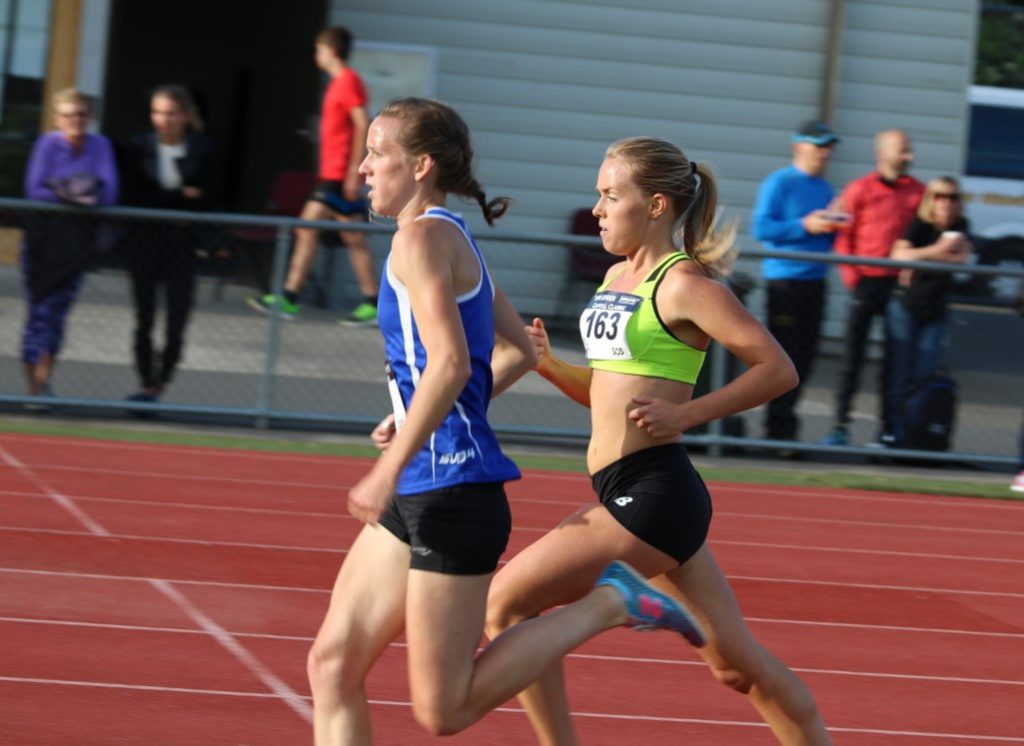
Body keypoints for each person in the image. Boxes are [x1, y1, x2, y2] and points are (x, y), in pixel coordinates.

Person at [307, 99, 708, 745]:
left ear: (421, 164)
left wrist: (390, 463)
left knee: (444, 710)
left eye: (377, 153)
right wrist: (414, 421)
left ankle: (613, 602)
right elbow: (519, 349)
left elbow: (447, 366)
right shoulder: (449, 233)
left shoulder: (421, 238)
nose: (363, 167)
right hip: (423, 476)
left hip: (450, 492)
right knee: (331, 664)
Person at [486, 137, 832, 745]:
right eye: (598, 194)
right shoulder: (618, 277)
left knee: (507, 603)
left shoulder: (685, 284)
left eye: (610, 195)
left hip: (653, 494)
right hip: (640, 493)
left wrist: (689, 416)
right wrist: (550, 365)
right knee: (736, 667)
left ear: (655, 205)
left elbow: (777, 369)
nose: (597, 208)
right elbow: (609, 390)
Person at [248, 25, 377, 325]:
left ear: (331, 50)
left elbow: (362, 124)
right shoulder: (336, 84)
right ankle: (295, 298)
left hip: (337, 177)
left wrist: (351, 173)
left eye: (318, 50)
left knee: (327, 233)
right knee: (344, 237)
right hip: (330, 176)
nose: (315, 55)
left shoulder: (348, 81)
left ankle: (292, 298)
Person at [821, 129, 924, 446]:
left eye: (909, 150)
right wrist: (854, 279)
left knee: (895, 360)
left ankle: (887, 428)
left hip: (899, 286)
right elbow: (843, 238)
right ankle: (840, 425)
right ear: (882, 154)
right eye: (902, 151)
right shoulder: (859, 189)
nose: (908, 157)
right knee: (852, 358)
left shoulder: (920, 192)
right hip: (866, 283)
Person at [118, 85, 216, 408]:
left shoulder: (202, 149)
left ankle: (161, 380)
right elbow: (135, 195)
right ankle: (147, 383)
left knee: (177, 321)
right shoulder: (138, 148)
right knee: (144, 318)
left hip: (182, 244)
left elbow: (208, 199)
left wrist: (184, 201)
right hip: (145, 242)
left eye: (171, 113)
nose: (164, 119)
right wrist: (179, 197)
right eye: (158, 112)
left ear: (186, 116)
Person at [20, 87, 119, 402]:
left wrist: (63, 190)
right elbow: (35, 190)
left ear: (90, 117)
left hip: (76, 242)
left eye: (81, 114)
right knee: (39, 312)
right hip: (42, 240)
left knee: (59, 316)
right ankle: (32, 386)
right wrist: (81, 192)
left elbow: (109, 193)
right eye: (68, 115)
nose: (75, 120)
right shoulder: (46, 144)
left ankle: (45, 382)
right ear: (56, 118)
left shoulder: (100, 145)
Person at [752, 120, 842, 448]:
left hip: (815, 282)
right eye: (819, 145)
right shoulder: (779, 182)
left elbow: (827, 238)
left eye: (829, 147)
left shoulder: (825, 189)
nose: (825, 153)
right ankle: (778, 429)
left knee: (805, 358)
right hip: (785, 283)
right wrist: (805, 224)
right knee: (783, 356)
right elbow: (762, 229)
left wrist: (836, 225)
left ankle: (784, 428)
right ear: (798, 146)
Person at [885, 176, 971, 444]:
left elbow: (962, 258)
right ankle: (892, 432)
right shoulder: (920, 224)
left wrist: (922, 256)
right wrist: (940, 250)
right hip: (906, 306)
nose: (946, 203)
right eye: (940, 196)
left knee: (924, 374)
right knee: (900, 373)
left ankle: (916, 434)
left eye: (952, 197)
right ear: (930, 200)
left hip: (936, 311)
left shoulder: (961, 226)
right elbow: (899, 255)